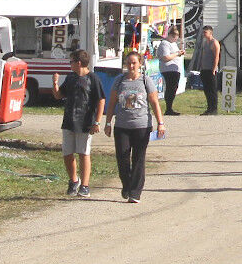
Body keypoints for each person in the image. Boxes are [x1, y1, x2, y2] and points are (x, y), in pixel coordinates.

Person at [104, 50, 166, 203]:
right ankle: (126, 184)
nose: (131, 66)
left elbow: (154, 103)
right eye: (129, 63)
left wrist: (160, 123)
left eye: (134, 63)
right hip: (122, 126)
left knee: (138, 159)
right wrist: (107, 122)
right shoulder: (119, 81)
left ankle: (135, 192)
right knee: (122, 157)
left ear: (140, 64)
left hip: (141, 126)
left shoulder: (145, 81)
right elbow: (111, 103)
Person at [50, 49, 105, 198]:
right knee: (67, 153)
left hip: (85, 121)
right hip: (69, 120)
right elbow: (58, 95)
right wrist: (55, 83)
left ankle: (85, 185)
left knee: (83, 153)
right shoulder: (70, 78)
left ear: (79, 63)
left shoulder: (93, 78)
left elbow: (101, 100)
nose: (70, 64)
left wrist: (97, 121)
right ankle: (74, 180)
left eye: (71, 61)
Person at [192, 25, 222, 115]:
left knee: (212, 90)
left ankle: (214, 109)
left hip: (211, 69)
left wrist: (213, 69)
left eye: (205, 32)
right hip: (204, 69)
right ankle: (209, 108)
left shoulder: (214, 43)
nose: (204, 34)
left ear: (210, 33)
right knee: (207, 90)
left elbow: (217, 57)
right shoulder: (205, 43)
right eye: (203, 32)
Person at [157, 25, 184, 116]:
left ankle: (170, 107)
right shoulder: (165, 43)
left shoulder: (174, 44)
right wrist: (177, 54)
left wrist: (179, 53)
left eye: (176, 36)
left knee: (173, 88)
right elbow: (166, 57)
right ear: (170, 35)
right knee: (170, 87)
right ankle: (168, 108)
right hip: (168, 69)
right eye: (174, 36)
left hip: (175, 69)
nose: (175, 38)